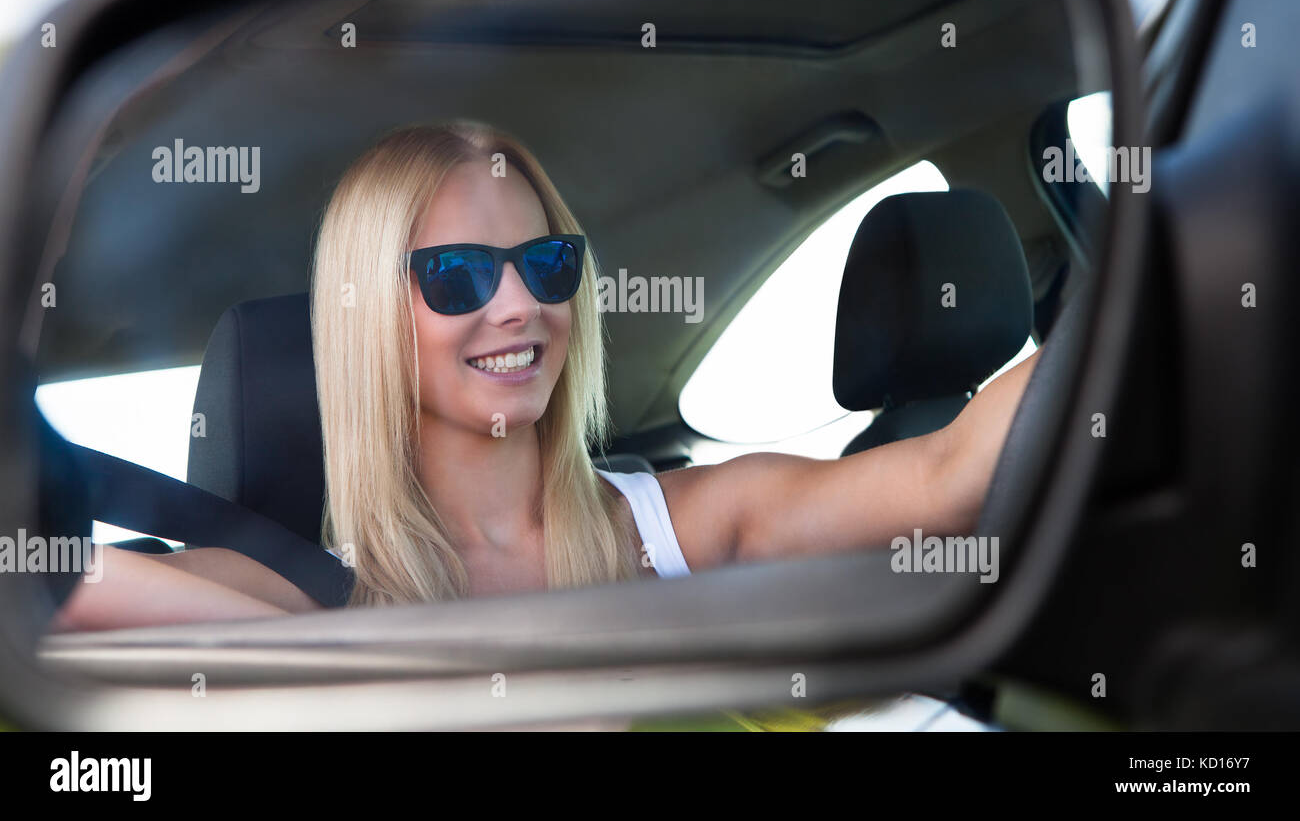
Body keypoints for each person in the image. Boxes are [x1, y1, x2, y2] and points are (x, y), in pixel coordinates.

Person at [51, 121, 1041, 630]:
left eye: (547, 262)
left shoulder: (673, 528)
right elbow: (61, 592)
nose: (519, 303)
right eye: (458, 275)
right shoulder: (301, 586)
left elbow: (947, 474)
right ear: (367, 322)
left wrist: (1161, 275)